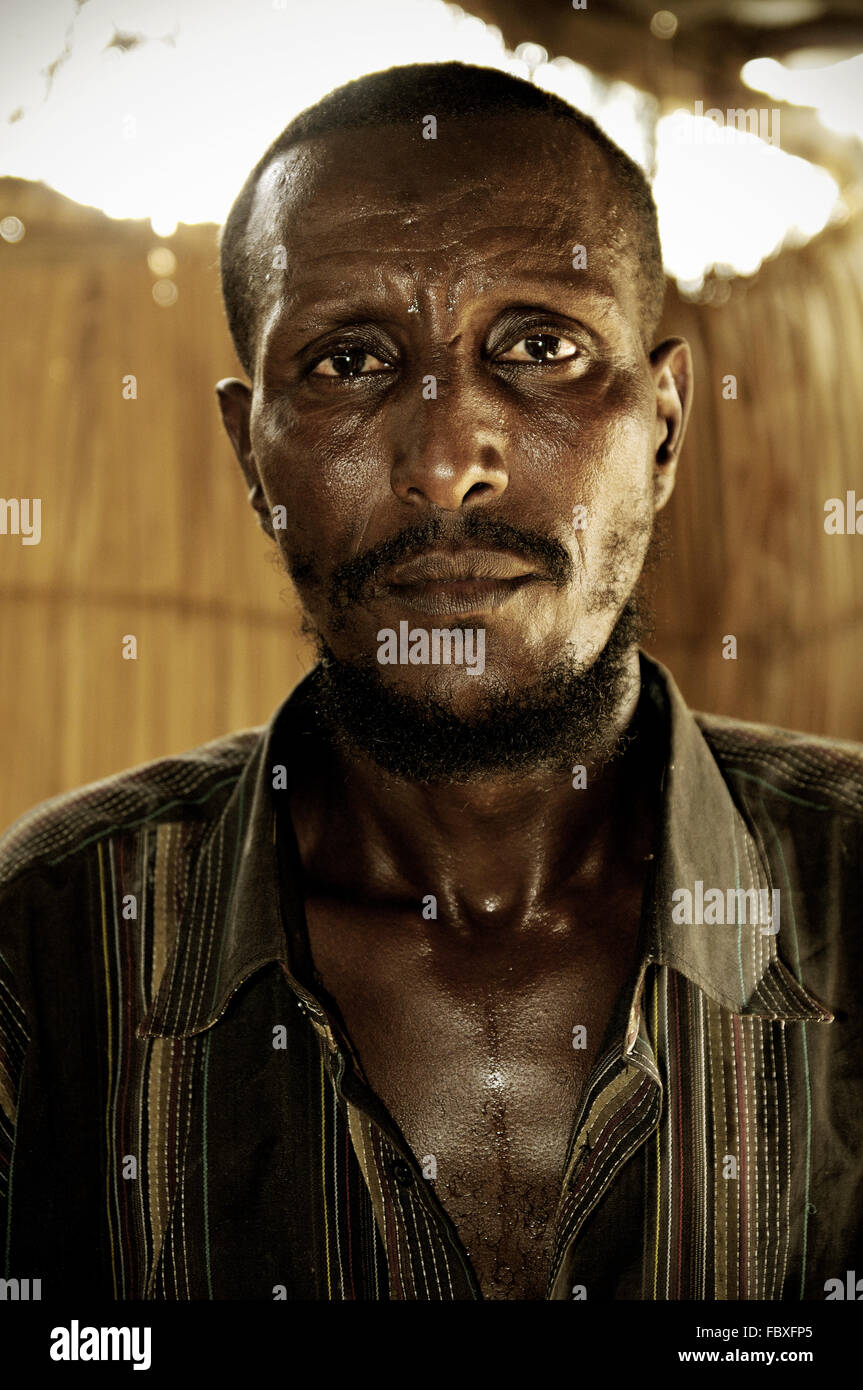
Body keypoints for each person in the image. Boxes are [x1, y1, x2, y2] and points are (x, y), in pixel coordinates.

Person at [1, 61, 860, 1303]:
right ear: (254, 459)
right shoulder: (51, 943)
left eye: (542, 346)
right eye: (350, 361)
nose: (449, 459)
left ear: (663, 429)